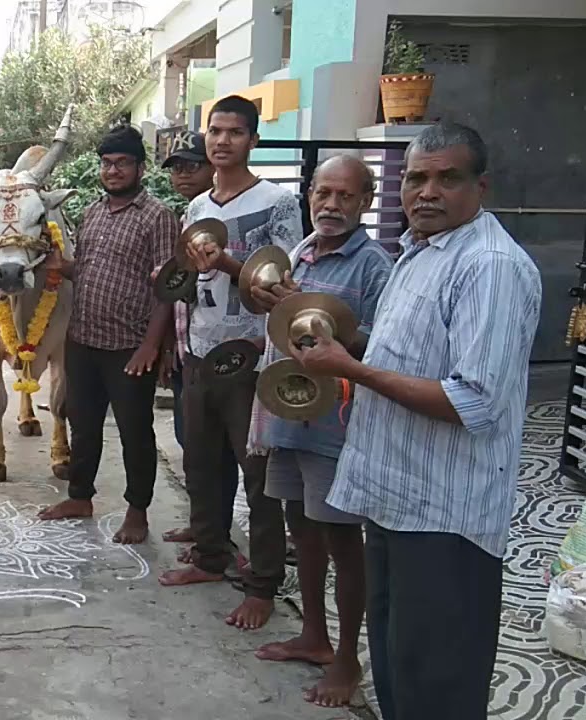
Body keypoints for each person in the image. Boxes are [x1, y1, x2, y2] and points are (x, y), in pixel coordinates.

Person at [295, 123, 541, 720]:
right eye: (415, 178)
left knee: (437, 682)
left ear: (480, 186)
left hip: (444, 516)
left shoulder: (489, 267)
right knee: (400, 669)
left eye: (447, 178)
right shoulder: (421, 250)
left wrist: (355, 368)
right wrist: (349, 346)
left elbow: (473, 401)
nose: (427, 192)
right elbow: (404, 355)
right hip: (395, 497)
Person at [244, 155, 391, 708]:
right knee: (300, 529)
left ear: (365, 202)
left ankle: (348, 660)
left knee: (341, 540)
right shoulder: (302, 253)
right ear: (309, 194)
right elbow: (285, 327)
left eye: (345, 197)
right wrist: (274, 304)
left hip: (338, 426)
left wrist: (325, 330)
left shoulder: (374, 265)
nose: (330, 206)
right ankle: (314, 636)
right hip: (291, 413)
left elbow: (382, 346)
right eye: (322, 194)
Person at [155, 96, 302, 635]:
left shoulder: (278, 202)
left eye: (234, 132)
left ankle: (262, 582)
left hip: (252, 356)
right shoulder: (196, 208)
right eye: (214, 131)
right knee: (201, 463)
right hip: (198, 350)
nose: (221, 141)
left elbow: (283, 286)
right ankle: (210, 555)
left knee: (258, 475)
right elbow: (192, 282)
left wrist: (229, 262)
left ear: (253, 140)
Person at [37, 125, 179, 544]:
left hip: (130, 346)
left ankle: (138, 511)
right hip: (83, 339)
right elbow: (91, 269)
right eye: (107, 163)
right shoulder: (94, 212)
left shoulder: (158, 218)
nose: (113, 171)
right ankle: (80, 497)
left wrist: (152, 345)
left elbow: (167, 288)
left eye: (122, 163)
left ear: (140, 167)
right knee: (82, 423)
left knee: (135, 431)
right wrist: (63, 267)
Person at [155, 130, 235, 557]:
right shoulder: (190, 214)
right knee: (193, 444)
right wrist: (170, 344)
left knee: (229, 453)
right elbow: (183, 289)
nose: (182, 175)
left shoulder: (231, 216)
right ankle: (202, 524)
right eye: (176, 168)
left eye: (191, 166)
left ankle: (217, 537)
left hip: (235, 353)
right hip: (191, 347)